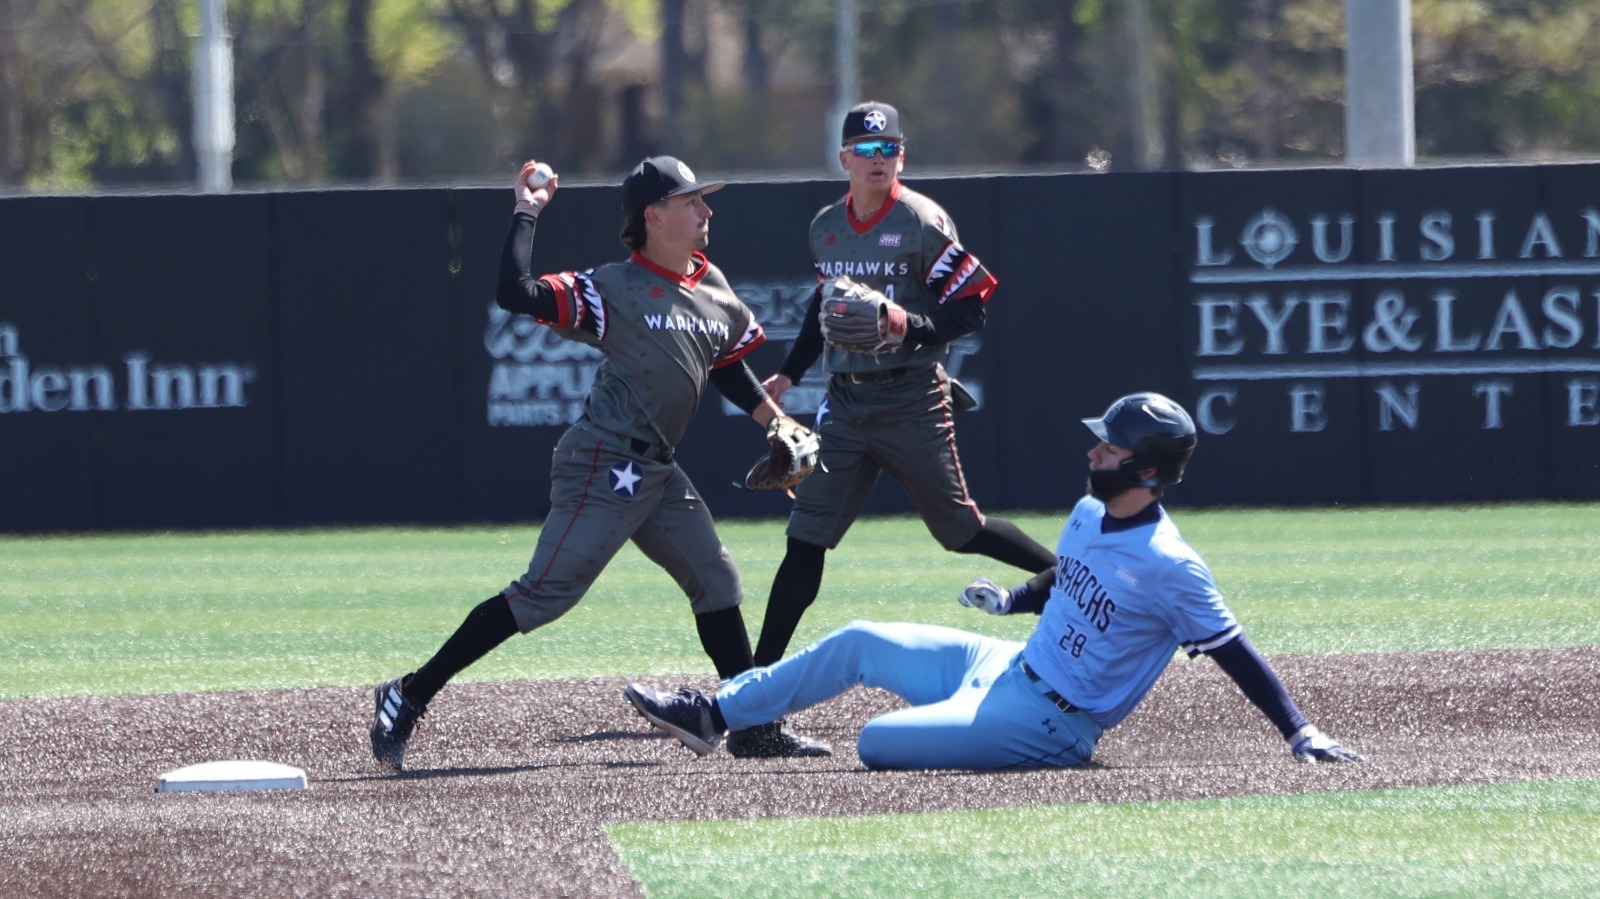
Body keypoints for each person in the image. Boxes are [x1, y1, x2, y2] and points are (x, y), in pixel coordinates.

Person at [370, 155, 830, 772]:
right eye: (692, 201)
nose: (706, 210)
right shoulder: (613, 286)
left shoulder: (710, 284)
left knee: (717, 581)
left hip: (659, 470)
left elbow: (726, 366)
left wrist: (776, 421)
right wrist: (527, 210)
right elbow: (517, 292)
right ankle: (409, 693)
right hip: (603, 461)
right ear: (654, 215)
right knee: (545, 595)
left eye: (703, 200)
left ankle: (751, 725)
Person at [624, 391, 1365, 770]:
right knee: (858, 640)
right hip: (1007, 666)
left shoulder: (1174, 567)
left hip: (1053, 724)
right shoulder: (1085, 512)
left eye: (1110, 446)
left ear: (1146, 470)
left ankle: (962, 722)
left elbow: (1234, 649)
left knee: (878, 742)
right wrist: (1012, 599)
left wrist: (1300, 731)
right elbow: (1065, 578)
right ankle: (712, 715)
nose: (1094, 449)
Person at [752, 100, 1056, 668]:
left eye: (888, 149)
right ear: (844, 158)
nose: (878, 159)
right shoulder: (826, 227)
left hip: (910, 397)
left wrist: (908, 325)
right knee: (805, 538)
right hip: (844, 401)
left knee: (961, 530)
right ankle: (751, 691)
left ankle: (1066, 581)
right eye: (865, 150)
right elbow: (828, 307)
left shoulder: (921, 221)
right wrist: (790, 372)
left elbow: (971, 308)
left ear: (901, 156)